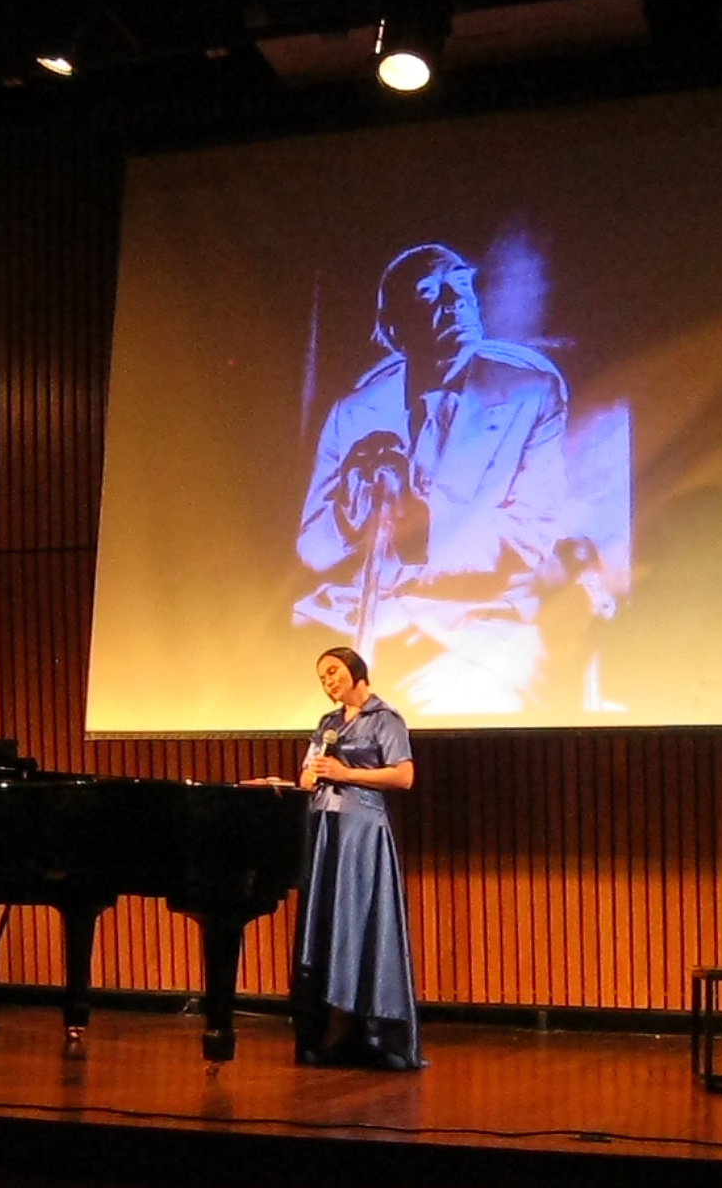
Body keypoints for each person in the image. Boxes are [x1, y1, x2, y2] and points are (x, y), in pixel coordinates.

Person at [293, 243, 570, 714]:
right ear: (396, 327)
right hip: (356, 623)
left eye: (462, 288)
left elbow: (533, 531)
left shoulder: (531, 394)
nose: (457, 302)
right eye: (432, 294)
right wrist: (348, 512)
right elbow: (312, 551)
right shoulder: (355, 411)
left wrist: (423, 529)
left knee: (466, 704)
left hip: (475, 624)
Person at [292, 646, 423, 1070]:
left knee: (359, 921)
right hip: (326, 830)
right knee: (329, 922)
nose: (328, 682)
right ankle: (328, 1026)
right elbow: (308, 773)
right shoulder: (328, 724)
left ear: (354, 671)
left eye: (332, 672)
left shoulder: (385, 719)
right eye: (321, 677)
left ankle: (373, 1031)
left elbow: (403, 776)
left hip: (362, 831)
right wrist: (312, 775)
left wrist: (347, 774)